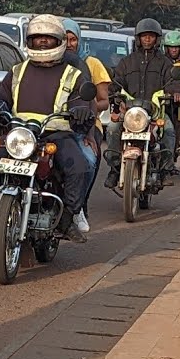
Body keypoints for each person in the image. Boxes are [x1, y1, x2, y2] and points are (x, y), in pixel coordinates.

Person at [0, 15, 92, 243]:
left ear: (60, 41)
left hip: (56, 135)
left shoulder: (73, 74)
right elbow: (3, 101)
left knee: (80, 166)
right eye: (37, 38)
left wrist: (81, 110)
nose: (43, 42)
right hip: (18, 134)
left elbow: (81, 101)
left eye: (48, 37)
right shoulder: (17, 71)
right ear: (29, 41)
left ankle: (67, 217)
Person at [105, 18, 180, 189]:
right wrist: (114, 93)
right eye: (144, 36)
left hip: (155, 113)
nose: (147, 39)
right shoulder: (127, 62)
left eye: (151, 36)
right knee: (112, 128)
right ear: (138, 38)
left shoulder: (165, 63)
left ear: (157, 39)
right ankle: (115, 168)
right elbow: (117, 82)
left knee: (169, 130)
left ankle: (165, 170)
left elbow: (173, 81)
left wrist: (176, 92)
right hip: (131, 113)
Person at [64, 19, 110, 232]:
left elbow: (103, 100)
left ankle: (80, 205)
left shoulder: (91, 64)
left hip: (86, 124)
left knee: (91, 158)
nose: (69, 43)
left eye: (73, 39)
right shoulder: (47, 62)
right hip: (52, 123)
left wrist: (86, 110)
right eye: (64, 39)